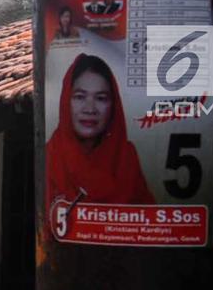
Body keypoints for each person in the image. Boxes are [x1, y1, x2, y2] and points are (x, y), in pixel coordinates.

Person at [46, 54, 154, 208]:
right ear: (65, 101)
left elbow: (148, 220)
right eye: (80, 97)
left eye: (101, 98)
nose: (90, 109)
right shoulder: (50, 156)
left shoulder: (126, 157)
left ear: (113, 105)